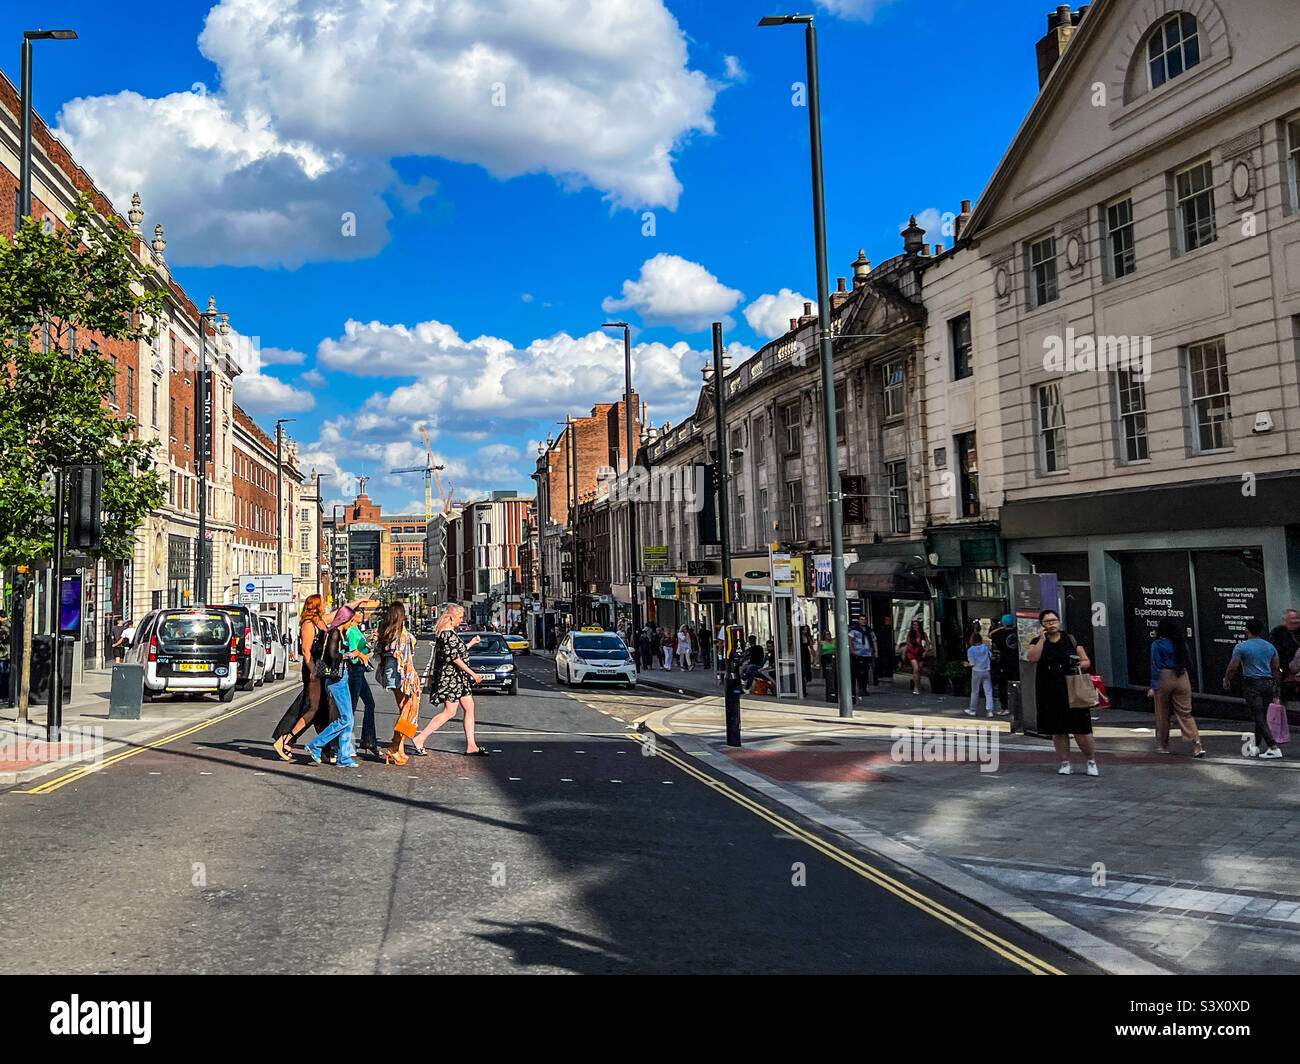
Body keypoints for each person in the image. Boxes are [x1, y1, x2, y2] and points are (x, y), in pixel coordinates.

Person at [1026, 608, 1097, 776]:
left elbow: (1086, 660)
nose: (1051, 624)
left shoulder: (1070, 639)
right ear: (1042, 625)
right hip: (1049, 690)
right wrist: (1042, 639)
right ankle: (1065, 762)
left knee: (1082, 730)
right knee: (1058, 730)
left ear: (1060, 622)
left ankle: (1091, 761)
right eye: (1047, 622)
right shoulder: (1037, 641)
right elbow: (1032, 658)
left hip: (1073, 688)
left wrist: (1080, 664)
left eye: (1054, 621)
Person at [415, 603, 487, 756]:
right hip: (451, 678)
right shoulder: (446, 634)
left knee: (469, 707)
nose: (460, 620)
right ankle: (420, 738)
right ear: (451, 617)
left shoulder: (449, 633)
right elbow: (455, 658)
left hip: (458, 677)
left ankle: (471, 745)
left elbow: (458, 652)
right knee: (449, 712)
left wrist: (472, 643)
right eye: (460, 617)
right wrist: (473, 674)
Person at [273, 594, 331, 761]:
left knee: (320, 710)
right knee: (313, 708)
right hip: (313, 670)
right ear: (316, 605)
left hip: (320, 669)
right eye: (323, 602)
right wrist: (313, 671)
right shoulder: (308, 624)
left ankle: (324, 748)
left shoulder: (321, 621)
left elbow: (340, 614)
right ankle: (286, 739)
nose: (325, 604)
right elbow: (306, 651)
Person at [1224, 618, 1283, 759]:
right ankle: (1256, 746)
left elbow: (1233, 667)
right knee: (1262, 715)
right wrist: (1277, 686)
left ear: (1246, 630)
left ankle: (1273, 747)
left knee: (1258, 715)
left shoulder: (1241, 647)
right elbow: (1276, 668)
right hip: (1268, 683)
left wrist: (1227, 679)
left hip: (1252, 684)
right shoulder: (1270, 647)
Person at [1147, 618, 1203, 758]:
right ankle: (1197, 744)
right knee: (1185, 713)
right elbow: (1189, 662)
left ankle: (1163, 745)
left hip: (1164, 676)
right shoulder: (1181, 644)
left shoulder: (1157, 644)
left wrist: (1153, 686)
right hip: (1182, 676)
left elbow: (1156, 666)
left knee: (1162, 714)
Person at [378, 602, 423, 764]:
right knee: (408, 708)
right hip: (400, 672)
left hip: (393, 671)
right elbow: (403, 659)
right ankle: (394, 745)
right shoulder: (398, 633)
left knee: (405, 708)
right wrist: (409, 679)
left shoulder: (389, 631)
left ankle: (399, 748)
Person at [344, 615, 379, 758]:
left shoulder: (356, 630)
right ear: (353, 617)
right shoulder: (352, 631)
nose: (362, 614)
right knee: (350, 708)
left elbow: (362, 648)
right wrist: (363, 655)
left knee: (370, 704)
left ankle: (368, 741)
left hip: (360, 671)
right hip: (355, 672)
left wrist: (370, 643)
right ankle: (345, 745)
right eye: (358, 612)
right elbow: (353, 651)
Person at [989, 614, 1018, 717]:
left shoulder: (999, 633)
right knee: (1017, 684)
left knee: (1003, 686)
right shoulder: (1017, 631)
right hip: (1017, 662)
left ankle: (1005, 707)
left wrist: (1001, 628)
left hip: (1004, 663)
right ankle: (1018, 705)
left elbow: (990, 635)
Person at [1269, 608, 1300, 703]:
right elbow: (1275, 653)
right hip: (1283, 673)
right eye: (1292, 618)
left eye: (1297, 618)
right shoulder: (1277, 633)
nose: (1296, 621)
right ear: (1285, 620)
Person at [965, 630, 994, 718]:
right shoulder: (985, 647)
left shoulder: (971, 650)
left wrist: (967, 664)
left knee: (975, 691)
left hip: (976, 671)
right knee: (988, 691)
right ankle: (990, 711)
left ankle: (972, 709)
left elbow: (972, 663)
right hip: (986, 670)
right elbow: (991, 656)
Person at [900, 620, 928, 696]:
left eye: (916, 625)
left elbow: (928, 644)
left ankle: (918, 684)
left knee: (919, 670)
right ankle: (916, 687)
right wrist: (904, 653)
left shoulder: (923, 634)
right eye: (913, 625)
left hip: (920, 653)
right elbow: (907, 644)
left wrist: (925, 651)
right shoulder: (910, 634)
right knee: (916, 669)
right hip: (912, 652)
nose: (915, 626)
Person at [849, 619, 874, 700]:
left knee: (866, 671)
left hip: (867, 654)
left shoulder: (869, 630)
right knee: (859, 672)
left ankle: (864, 688)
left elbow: (874, 640)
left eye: (864, 619)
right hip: (858, 654)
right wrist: (852, 650)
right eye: (861, 619)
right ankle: (860, 688)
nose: (863, 621)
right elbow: (850, 640)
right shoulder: (854, 630)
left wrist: (875, 651)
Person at [0, 609, 10, 704]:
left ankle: (3, 695)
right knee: (7, 674)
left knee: (3, 675)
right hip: (11, 654)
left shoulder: (3, 627)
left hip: (3, 655)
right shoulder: (12, 623)